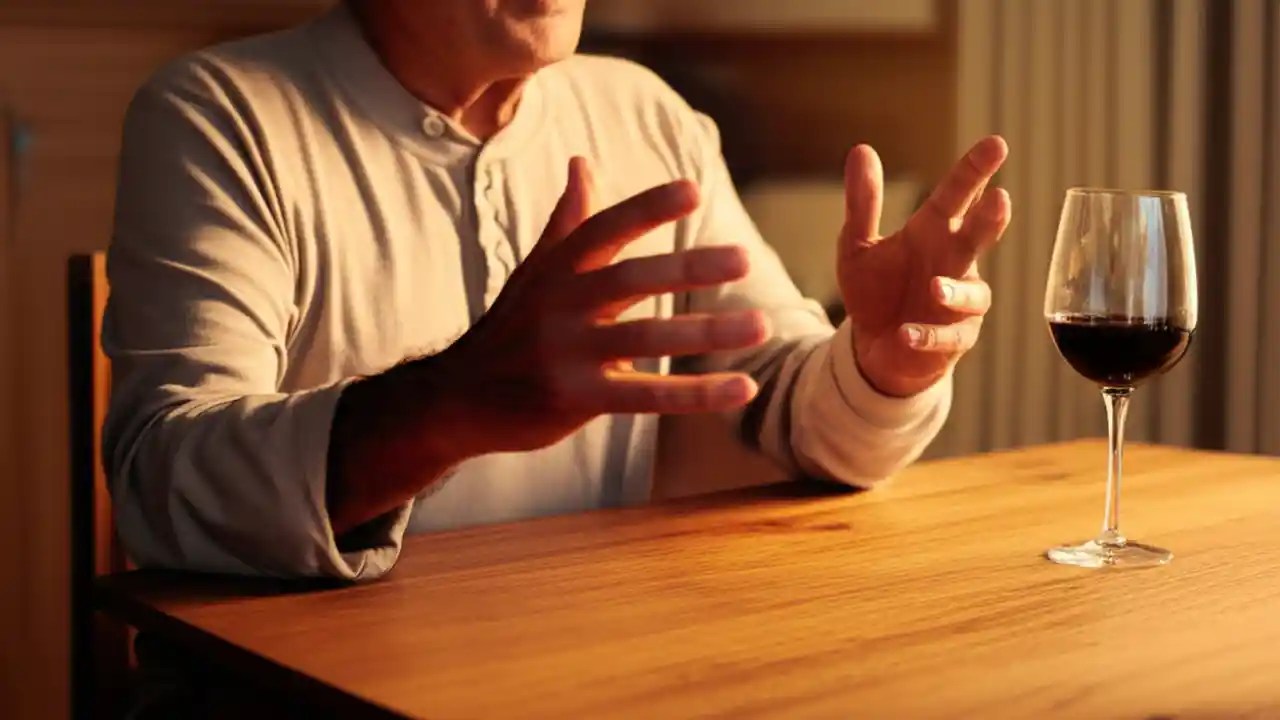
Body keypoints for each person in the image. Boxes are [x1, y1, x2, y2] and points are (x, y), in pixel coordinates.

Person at [104, 0, 1011, 583]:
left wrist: (879, 365)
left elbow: (779, 406)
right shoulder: (221, 115)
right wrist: (449, 405)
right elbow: (159, 484)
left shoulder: (640, 113)